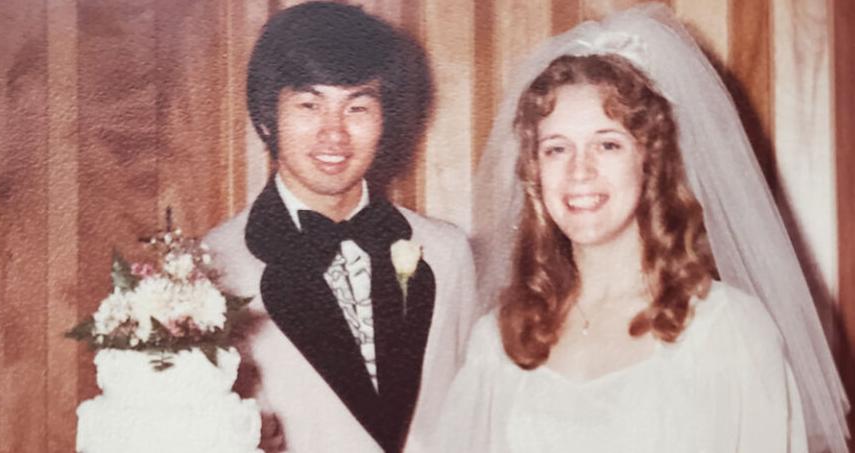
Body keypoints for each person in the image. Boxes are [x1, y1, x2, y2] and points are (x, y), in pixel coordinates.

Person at [434, 4, 849, 452]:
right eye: (556, 149)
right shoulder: (500, 339)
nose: (579, 171)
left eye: (607, 144)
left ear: (650, 161)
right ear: (534, 171)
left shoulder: (729, 331)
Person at [204, 3, 477, 452]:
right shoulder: (215, 266)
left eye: (358, 107)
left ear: (385, 118)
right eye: (309, 104)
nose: (334, 134)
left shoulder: (446, 253)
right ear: (267, 116)